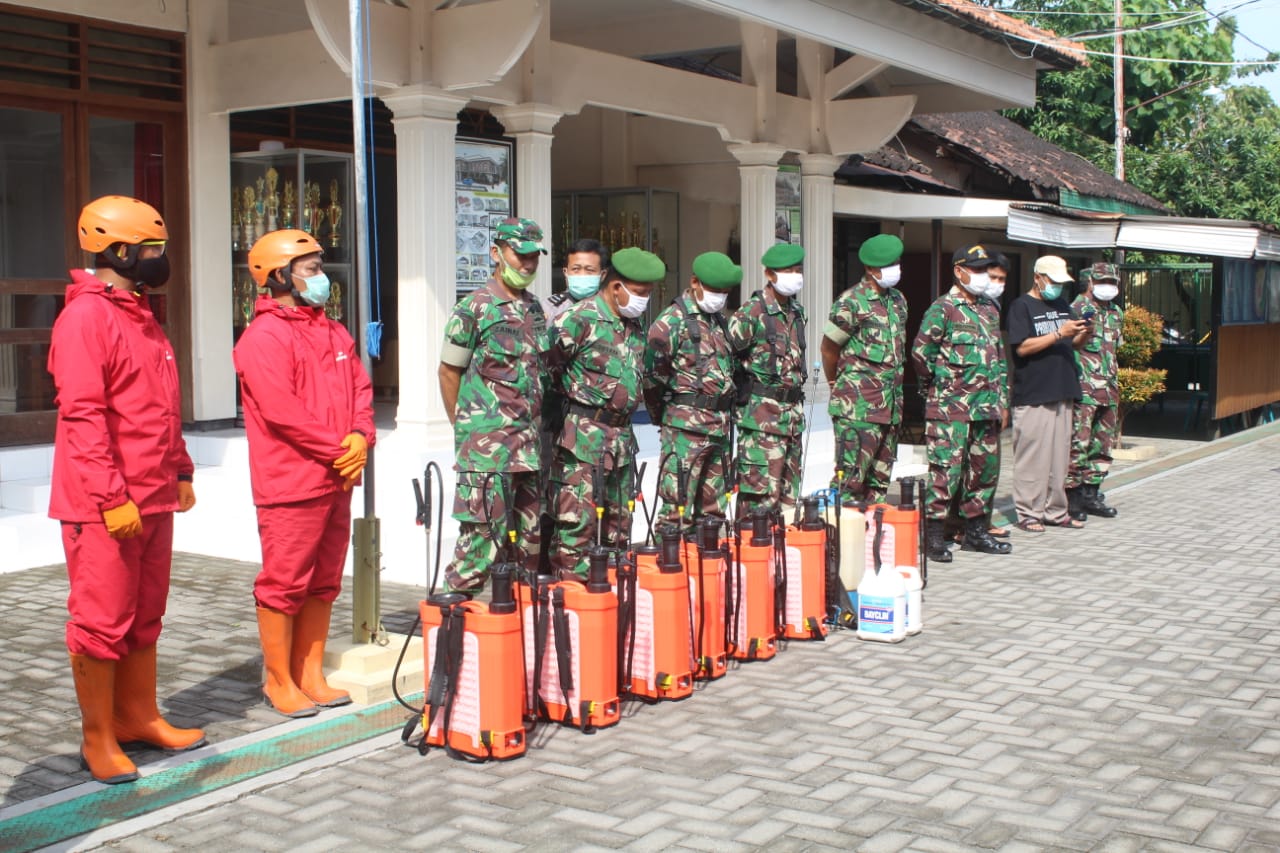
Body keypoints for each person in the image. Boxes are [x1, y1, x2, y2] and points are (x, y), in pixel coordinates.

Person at [49, 195, 204, 784]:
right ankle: (98, 736)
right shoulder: (86, 318)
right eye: (151, 249)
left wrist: (180, 469)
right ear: (116, 252)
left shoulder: (140, 313)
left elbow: (161, 403)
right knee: (102, 618)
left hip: (153, 492)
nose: (160, 258)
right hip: (104, 502)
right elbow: (83, 415)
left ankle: (138, 716)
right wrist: (111, 498)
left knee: (144, 613)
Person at [234, 229, 376, 718]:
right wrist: (339, 449)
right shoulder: (264, 337)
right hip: (292, 482)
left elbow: (360, 389)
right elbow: (282, 411)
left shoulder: (333, 331)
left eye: (320, 268)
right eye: (312, 270)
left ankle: (310, 672)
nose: (322, 278)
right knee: (285, 581)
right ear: (280, 276)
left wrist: (360, 435)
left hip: (336, 477)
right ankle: (279, 680)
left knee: (324, 579)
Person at [439, 218, 548, 592]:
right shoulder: (474, 308)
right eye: (520, 256)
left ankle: (517, 623)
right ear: (496, 254)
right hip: (487, 454)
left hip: (527, 450)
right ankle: (452, 620)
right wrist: (467, 430)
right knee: (479, 548)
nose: (528, 264)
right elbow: (448, 372)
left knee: (527, 549)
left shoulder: (534, 309)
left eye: (534, 257)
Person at [546, 247, 662, 576]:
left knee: (619, 529)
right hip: (582, 442)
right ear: (615, 287)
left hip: (622, 441)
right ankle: (571, 597)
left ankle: (612, 596)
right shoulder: (577, 319)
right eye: (639, 292)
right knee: (577, 528)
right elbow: (545, 372)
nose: (644, 299)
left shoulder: (634, 327)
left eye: (648, 293)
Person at [911, 245, 1013, 562]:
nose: (984, 276)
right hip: (949, 409)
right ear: (959, 271)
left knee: (983, 472)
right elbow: (921, 355)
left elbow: (998, 358)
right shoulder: (943, 308)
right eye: (978, 270)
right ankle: (933, 536)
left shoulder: (989, 310)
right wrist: (937, 390)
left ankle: (975, 533)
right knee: (946, 474)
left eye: (986, 270)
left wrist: (1002, 400)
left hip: (986, 407)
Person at [644, 251, 740, 533]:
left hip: (719, 427)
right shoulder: (671, 322)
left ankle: (708, 560)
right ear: (695, 282)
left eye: (725, 292)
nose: (720, 297)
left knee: (713, 513)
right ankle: (672, 560)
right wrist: (665, 417)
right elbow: (652, 378)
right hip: (686, 431)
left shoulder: (717, 321)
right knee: (677, 512)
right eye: (715, 290)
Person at [821, 233, 907, 505]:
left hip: (890, 408)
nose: (895, 269)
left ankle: (872, 529)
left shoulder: (898, 301)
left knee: (879, 482)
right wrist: (834, 384)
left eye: (897, 263)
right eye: (888, 265)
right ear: (870, 268)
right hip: (857, 408)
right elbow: (828, 349)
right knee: (850, 480)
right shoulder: (851, 302)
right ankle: (841, 530)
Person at [729, 243, 809, 521]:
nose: (794, 276)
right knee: (760, 500)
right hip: (761, 422)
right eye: (787, 271)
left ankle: (783, 547)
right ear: (769, 274)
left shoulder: (797, 312)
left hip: (792, 419)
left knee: (788, 499)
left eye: (797, 270)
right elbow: (727, 356)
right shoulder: (751, 312)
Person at [1007, 255, 1087, 532]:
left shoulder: (1062, 305)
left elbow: (1074, 343)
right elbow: (1022, 348)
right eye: (1053, 281)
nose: (1057, 287)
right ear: (1038, 278)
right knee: (1032, 458)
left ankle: (1056, 511)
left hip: (1063, 388)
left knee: (1059, 458)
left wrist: (1084, 331)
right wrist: (1058, 333)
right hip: (1034, 392)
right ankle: (1029, 513)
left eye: (1061, 283)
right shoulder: (1021, 306)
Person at [1065, 262, 1123, 520]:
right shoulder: (1076, 309)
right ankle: (1073, 498)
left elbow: (1114, 350)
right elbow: (1069, 347)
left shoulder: (1115, 312)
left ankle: (1092, 494)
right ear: (1090, 282)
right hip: (1084, 389)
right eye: (1103, 281)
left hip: (1109, 389)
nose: (1108, 286)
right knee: (1078, 444)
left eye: (1112, 282)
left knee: (1103, 445)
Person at [543, 238, 608, 323]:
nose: (582, 275)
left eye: (590, 270)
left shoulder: (611, 307)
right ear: (565, 272)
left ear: (602, 275)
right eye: (576, 269)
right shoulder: (549, 307)